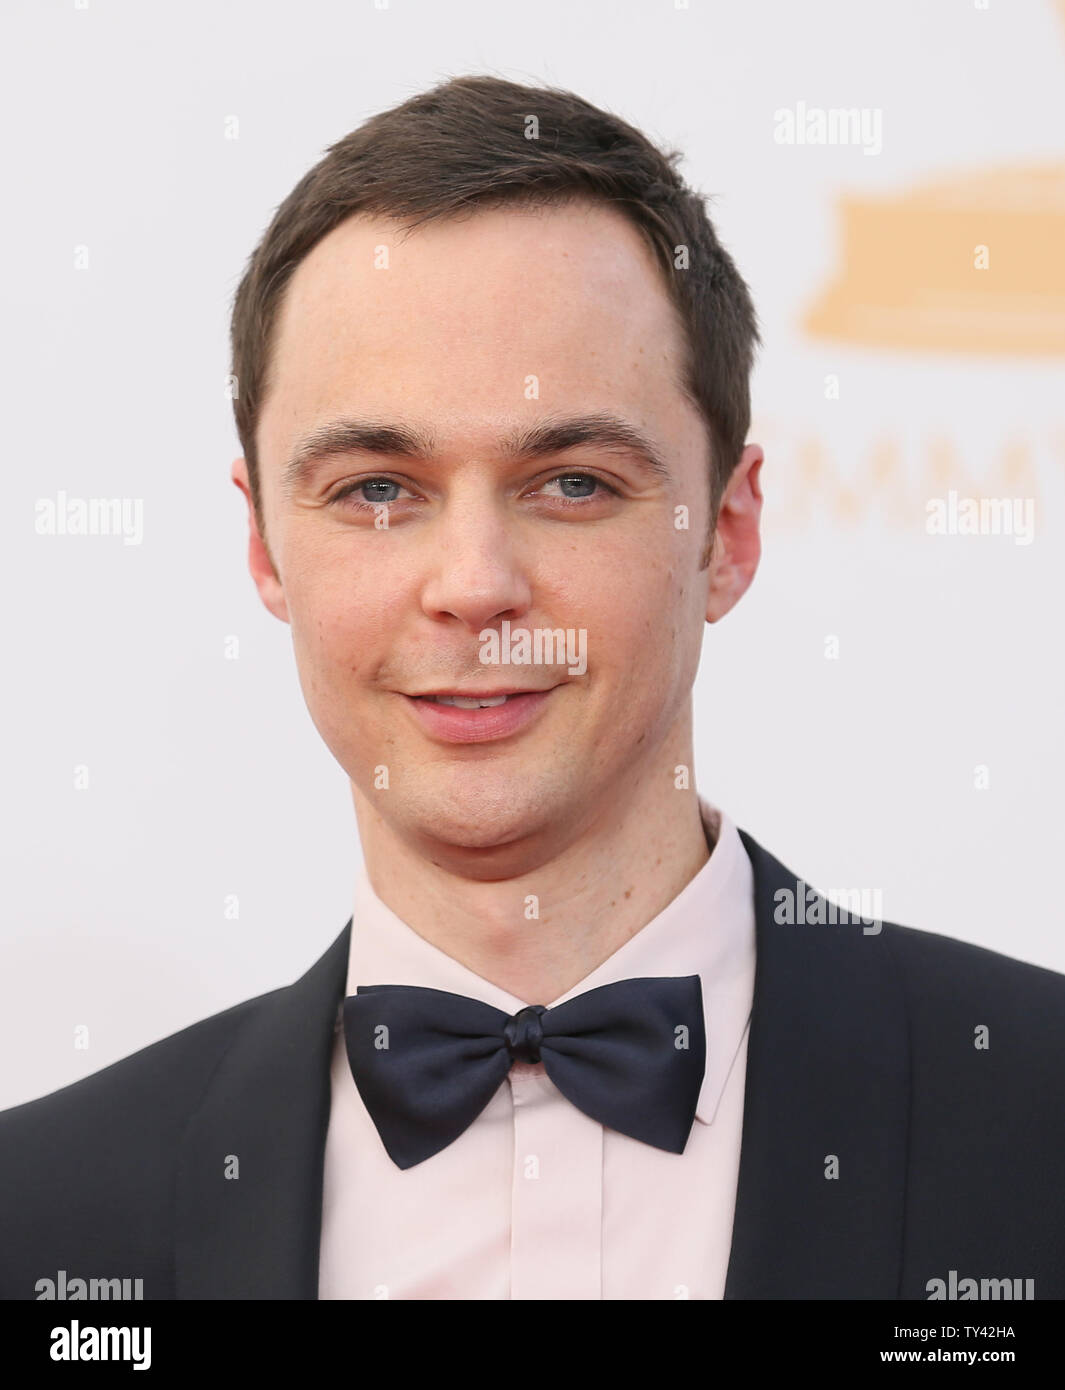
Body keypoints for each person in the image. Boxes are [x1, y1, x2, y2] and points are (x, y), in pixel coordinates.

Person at [2, 74, 1063, 1302]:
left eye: (570, 482)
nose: (474, 587)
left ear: (726, 532)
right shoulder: (44, 1225)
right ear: (263, 549)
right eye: (377, 489)